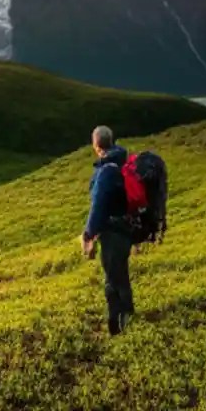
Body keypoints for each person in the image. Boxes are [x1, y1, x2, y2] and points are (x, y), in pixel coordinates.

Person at [80, 125, 134, 335]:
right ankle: (128, 313)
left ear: (96, 145)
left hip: (112, 231)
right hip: (127, 227)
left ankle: (117, 323)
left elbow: (98, 205)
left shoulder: (106, 171)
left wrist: (88, 233)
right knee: (121, 271)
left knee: (112, 278)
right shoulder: (123, 162)